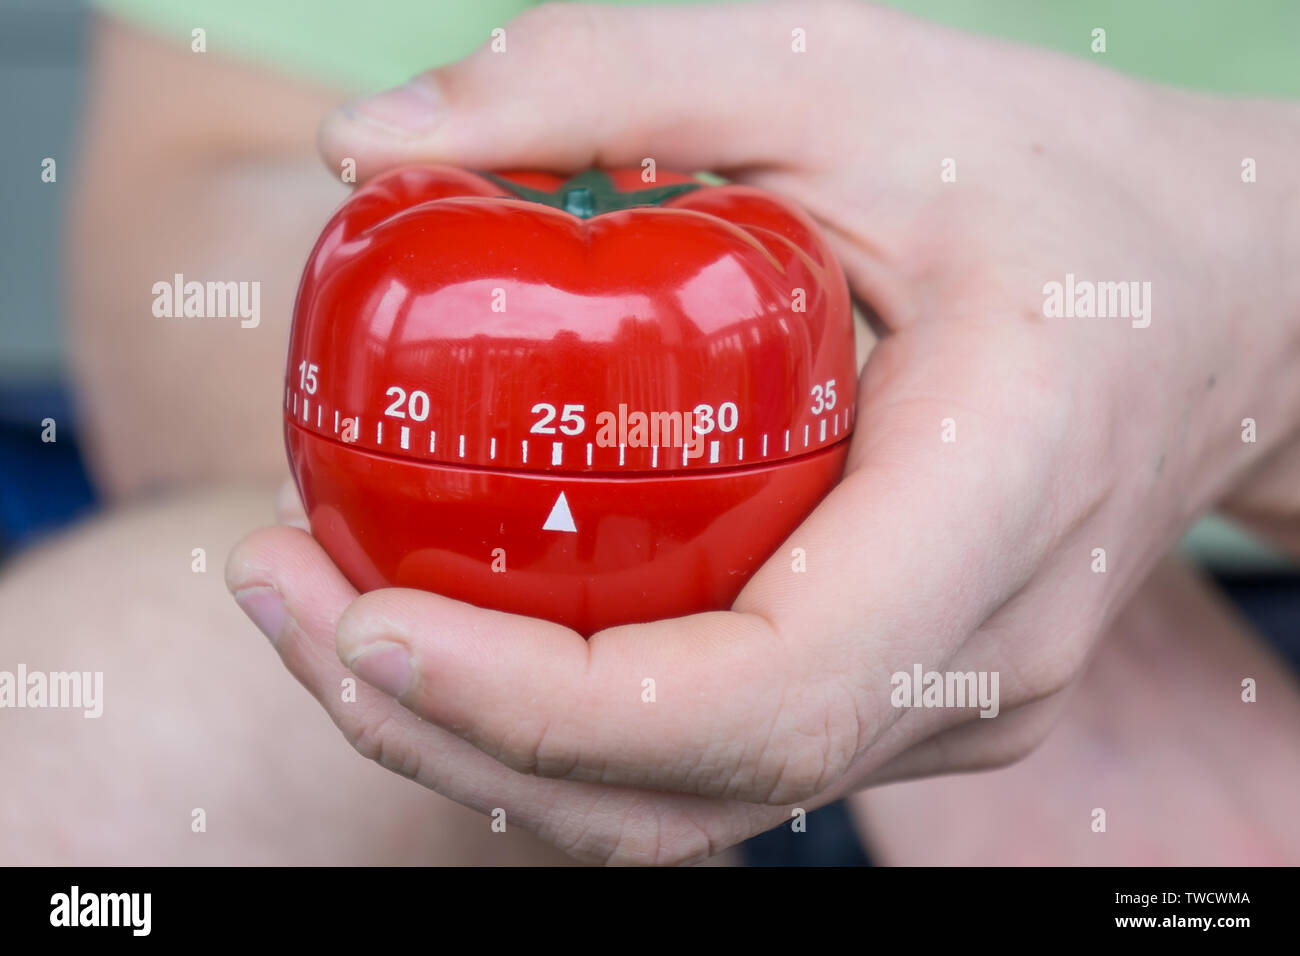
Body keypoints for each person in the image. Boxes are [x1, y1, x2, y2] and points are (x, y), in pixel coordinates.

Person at [4, 0, 1298, 865]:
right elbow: (201, 205)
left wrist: (1239, 342)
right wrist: (978, 530)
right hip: (507, 578)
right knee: (71, 748)